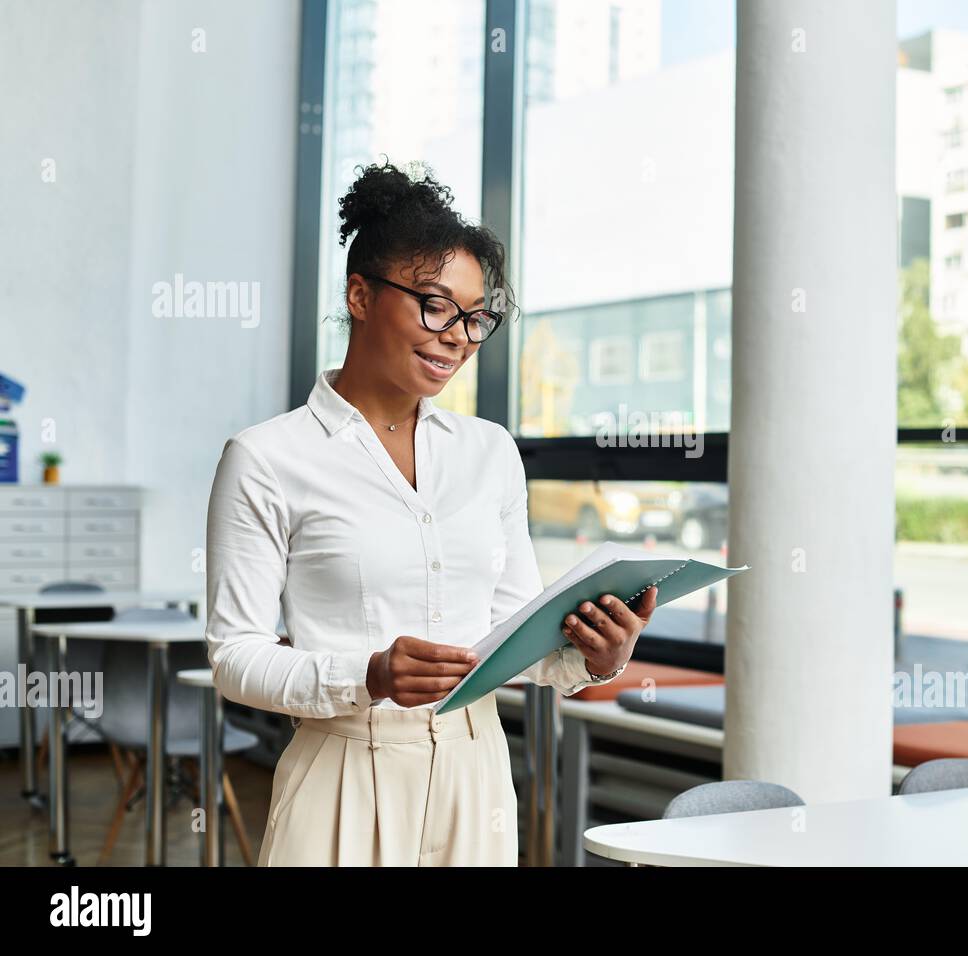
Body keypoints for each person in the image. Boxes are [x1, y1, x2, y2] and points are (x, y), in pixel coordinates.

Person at [204, 160, 655, 866]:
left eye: (476, 318)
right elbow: (235, 658)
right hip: (344, 775)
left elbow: (509, 635)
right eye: (434, 304)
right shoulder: (267, 457)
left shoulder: (489, 452)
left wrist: (593, 657)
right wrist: (370, 676)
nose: (457, 336)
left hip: (477, 775)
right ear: (359, 294)